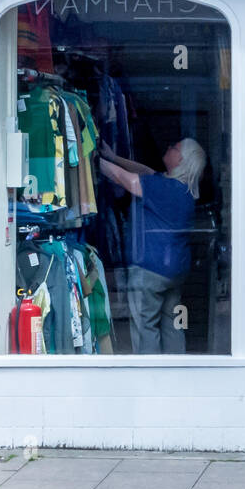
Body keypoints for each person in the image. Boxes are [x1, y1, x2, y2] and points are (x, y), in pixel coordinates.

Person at [98, 138, 206, 354]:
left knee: (145, 326)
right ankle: (176, 376)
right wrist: (113, 157)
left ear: (181, 160)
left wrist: (93, 159)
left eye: (173, 147)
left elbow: (123, 179)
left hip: (150, 269)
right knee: (172, 326)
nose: (168, 147)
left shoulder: (163, 189)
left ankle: (150, 379)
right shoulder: (181, 191)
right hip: (174, 273)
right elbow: (146, 172)